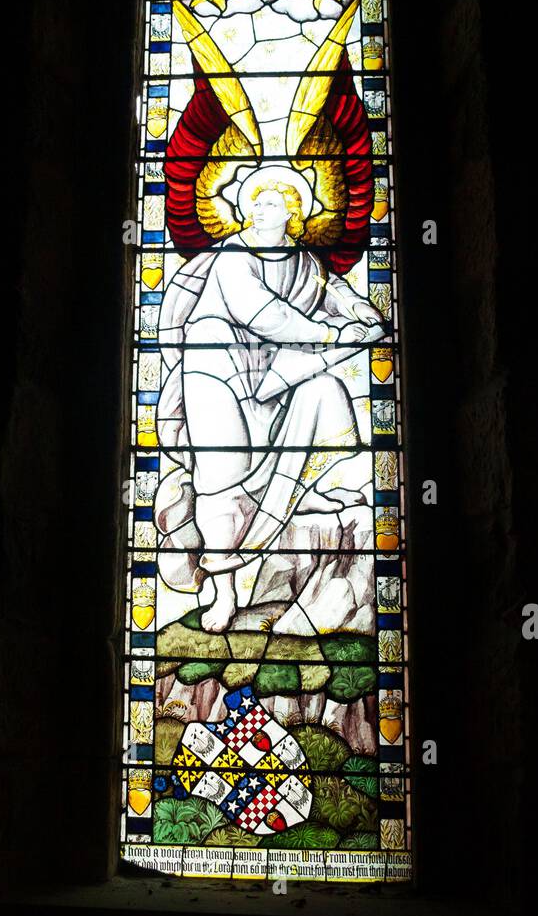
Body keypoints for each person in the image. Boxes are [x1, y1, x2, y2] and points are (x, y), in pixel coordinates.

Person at [155, 167, 384, 632]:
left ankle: (312, 492)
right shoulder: (233, 258)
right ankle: (224, 590)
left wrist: (361, 311)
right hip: (216, 366)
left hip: (273, 375)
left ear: (293, 213)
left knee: (325, 392)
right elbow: (265, 313)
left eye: (274, 202)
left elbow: (332, 290)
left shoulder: (304, 263)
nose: (262, 209)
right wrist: (333, 334)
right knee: (221, 474)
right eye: (256, 201)